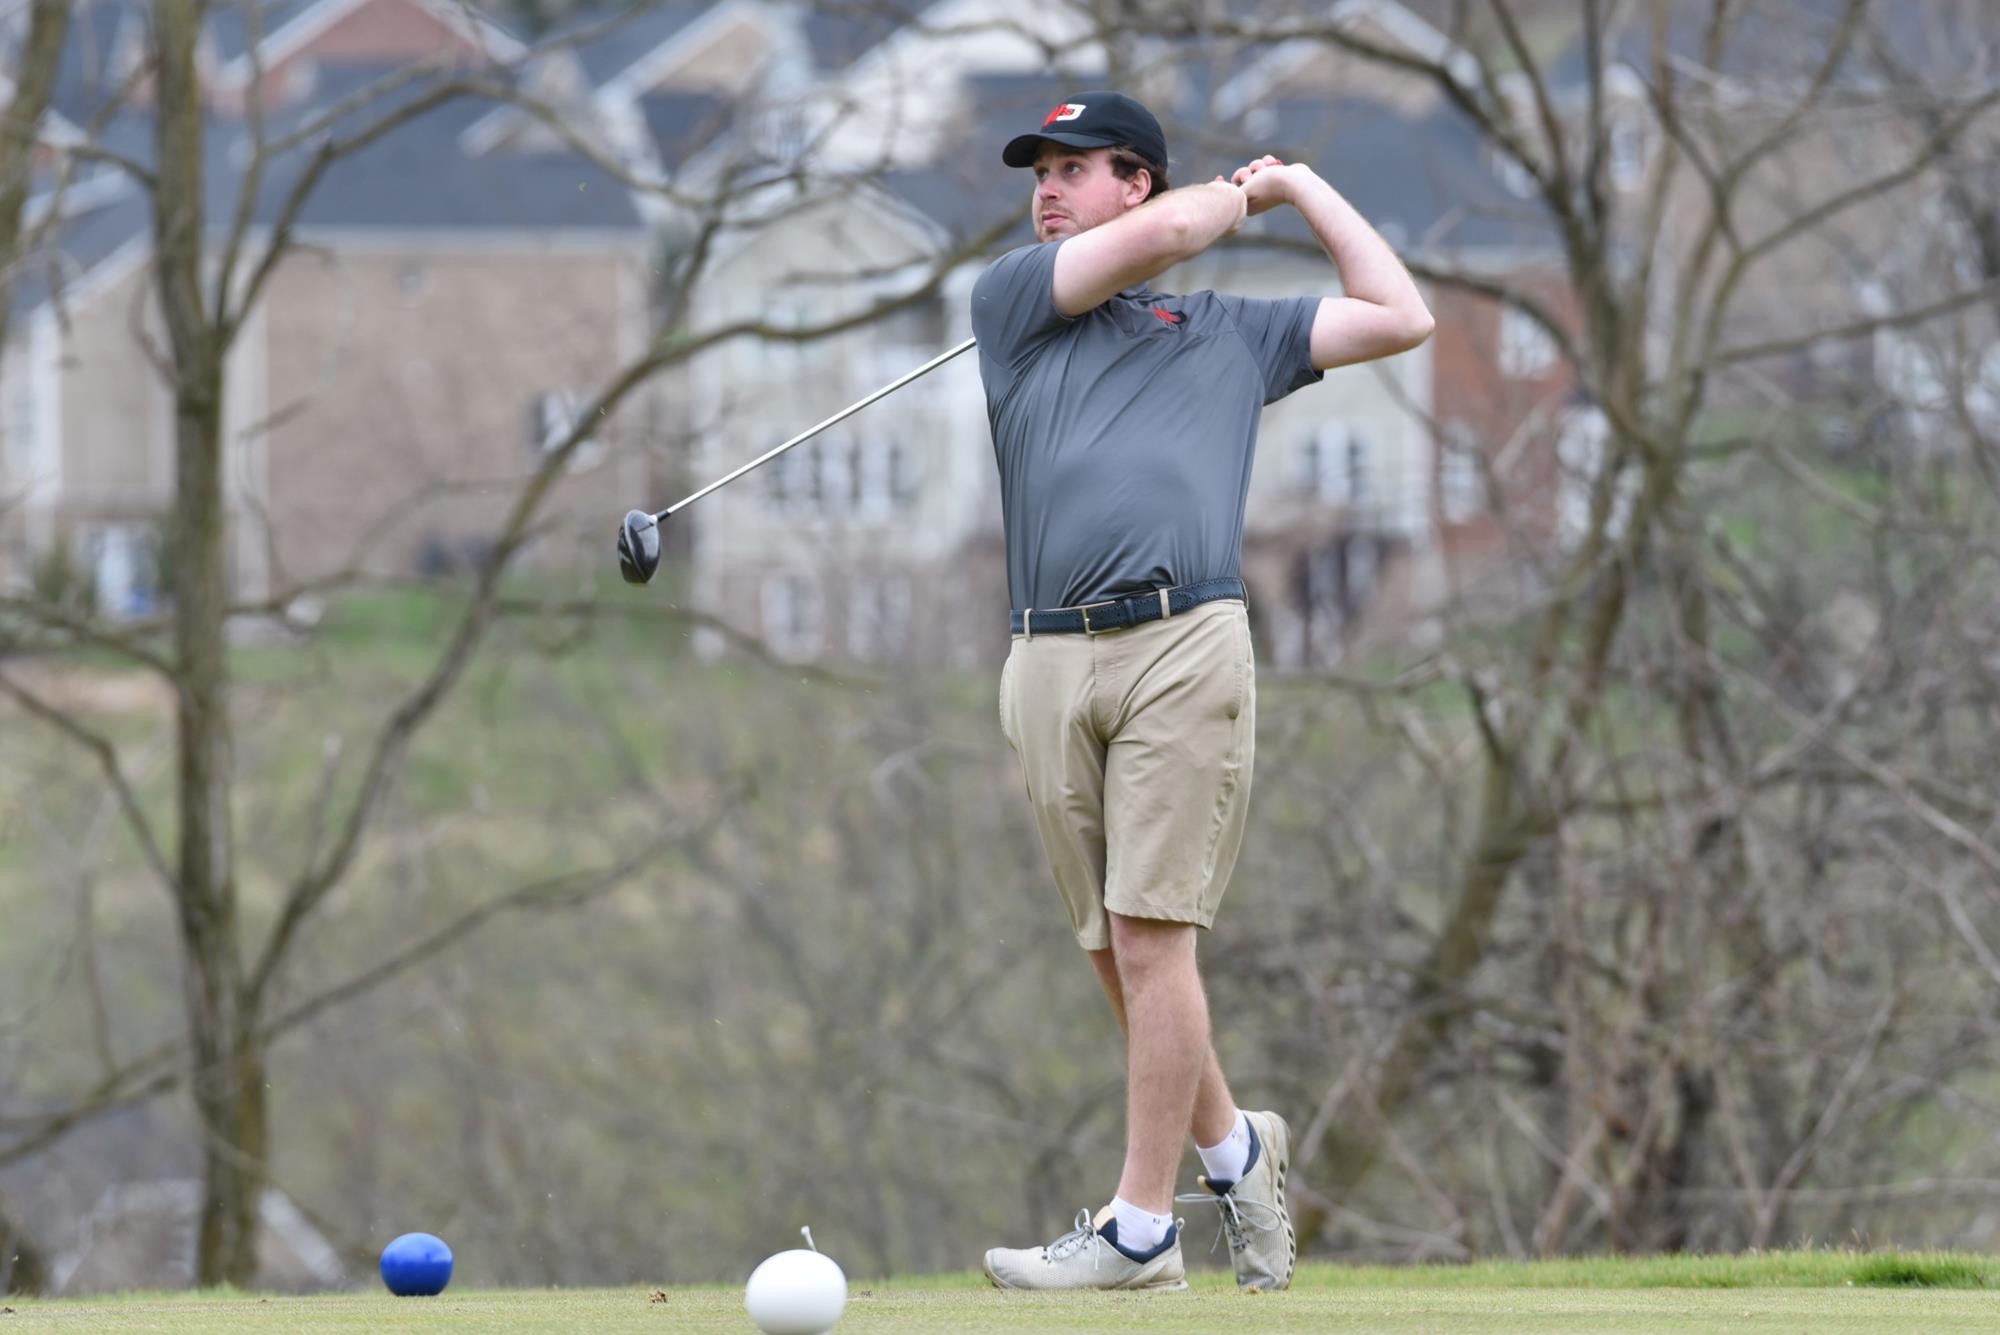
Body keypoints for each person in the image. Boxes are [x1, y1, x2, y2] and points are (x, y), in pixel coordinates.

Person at [970, 91, 1434, 1293]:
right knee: (1107, 949)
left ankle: (1139, 1228)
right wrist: (1219, 205)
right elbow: (1164, 239)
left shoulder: (1228, 329)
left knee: (1148, 931)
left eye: (1077, 169)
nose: (1048, 189)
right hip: (1042, 658)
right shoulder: (1013, 302)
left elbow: (1402, 313)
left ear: (1139, 178)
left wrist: (1294, 189)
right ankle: (1233, 1152)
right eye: (1041, 171)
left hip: (1184, 641)